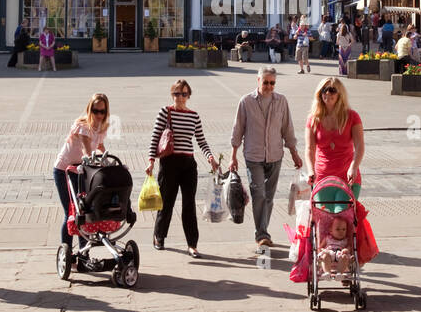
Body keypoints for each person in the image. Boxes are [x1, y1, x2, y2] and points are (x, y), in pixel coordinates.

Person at [230, 66, 303, 250]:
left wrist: (294, 153)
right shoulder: (246, 102)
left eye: (272, 83)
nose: (269, 86)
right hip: (253, 156)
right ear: (258, 81)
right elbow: (237, 130)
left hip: (275, 155)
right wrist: (233, 156)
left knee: (269, 196)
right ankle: (261, 234)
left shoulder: (281, 101)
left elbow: (287, 129)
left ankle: (263, 230)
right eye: (266, 82)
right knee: (259, 194)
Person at [147, 79, 216, 257]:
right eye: (177, 93)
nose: (180, 97)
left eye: (184, 94)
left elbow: (201, 140)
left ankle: (192, 244)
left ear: (189, 96)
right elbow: (155, 137)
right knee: (167, 202)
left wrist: (210, 157)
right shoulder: (165, 112)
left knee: (189, 204)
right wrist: (151, 160)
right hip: (169, 162)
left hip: (188, 165)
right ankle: (159, 236)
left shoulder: (194, 115)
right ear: (172, 95)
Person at [53, 93, 110, 259]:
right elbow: (86, 148)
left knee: (83, 213)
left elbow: (99, 144)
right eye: (95, 111)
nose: (98, 115)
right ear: (89, 109)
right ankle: (67, 253)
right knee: (71, 212)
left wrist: (105, 156)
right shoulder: (82, 125)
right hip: (65, 170)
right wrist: (92, 159)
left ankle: (83, 254)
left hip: (82, 170)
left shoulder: (102, 126)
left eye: (102, 112)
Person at [305, 77, 364, 198]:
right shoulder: (313, 119)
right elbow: (309, 149)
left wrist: (353, 168)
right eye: (324, 90)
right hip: (321, 178)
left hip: (347, 178)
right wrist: (310, 171)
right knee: (323, 216)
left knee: (342, 214)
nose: (327, 93)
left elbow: (359, 146)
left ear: (340, 94)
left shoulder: (352, 116)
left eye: (332, 90)